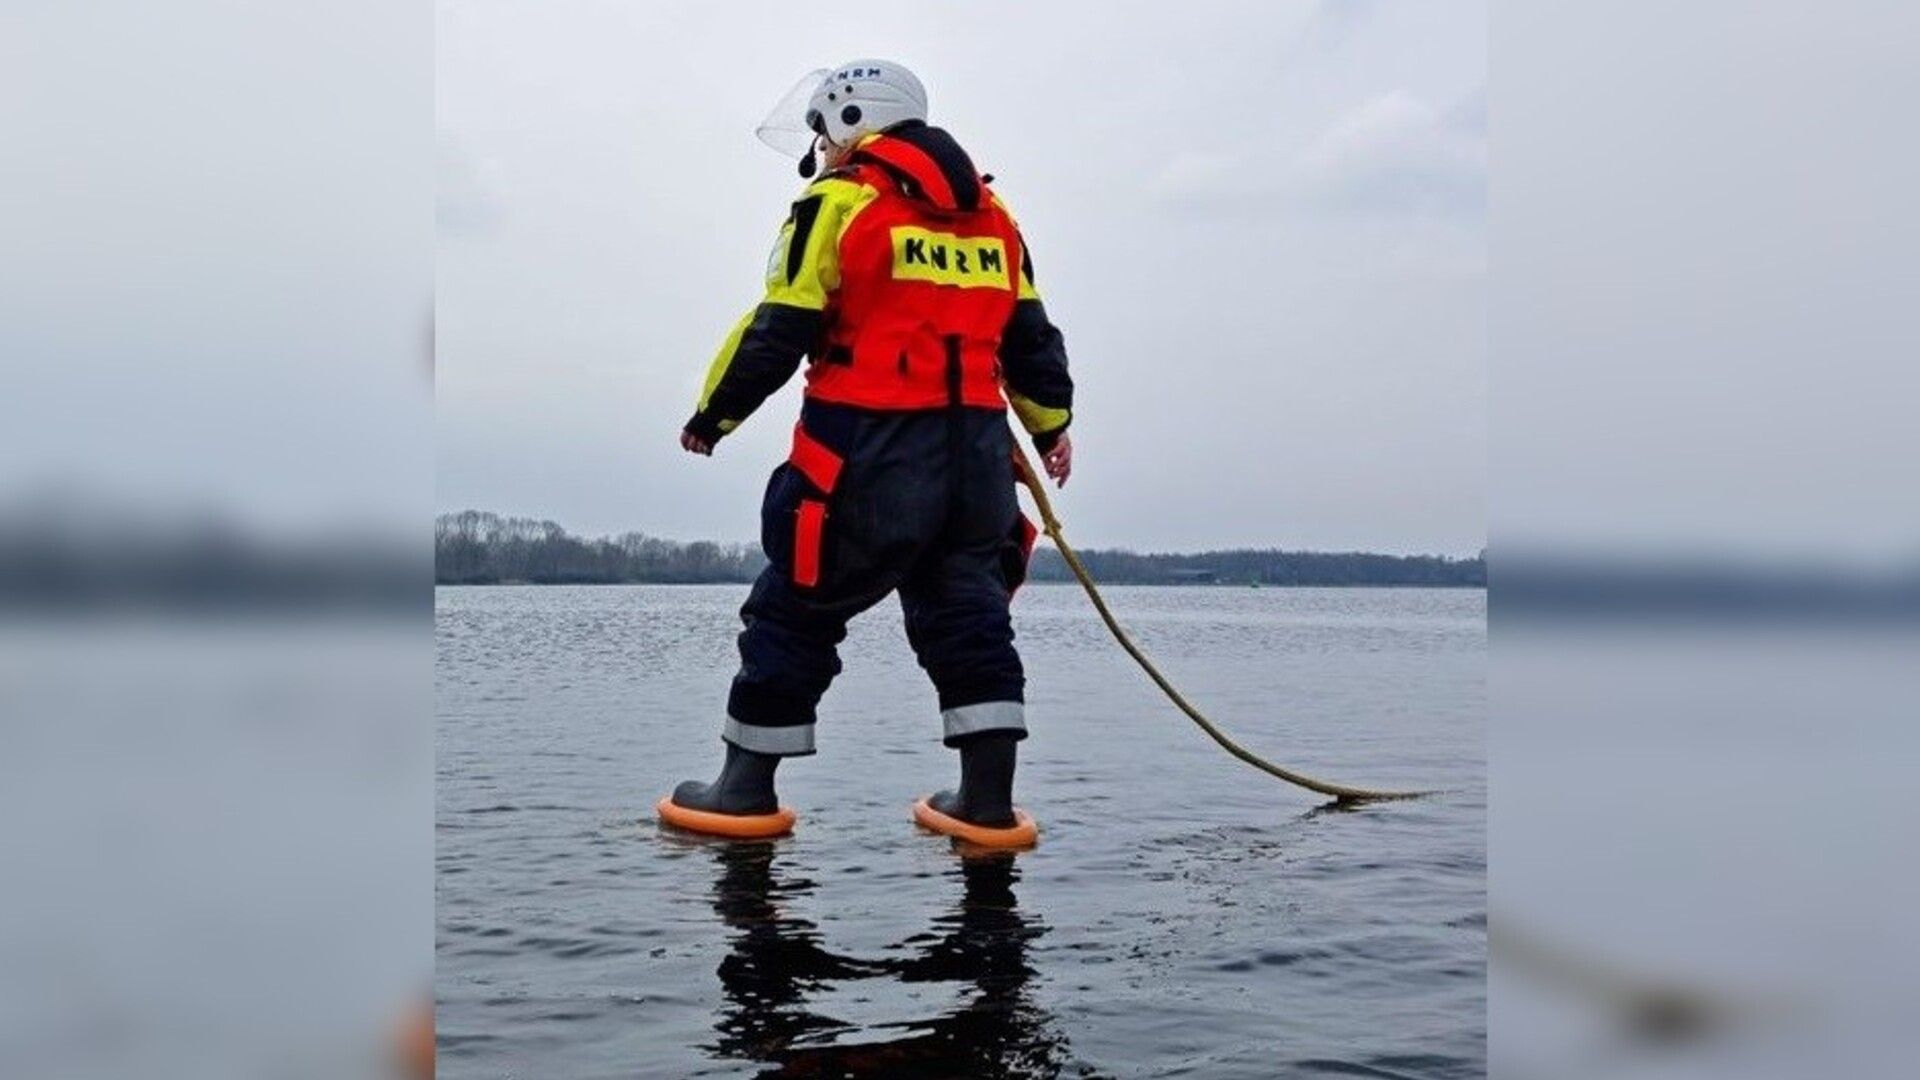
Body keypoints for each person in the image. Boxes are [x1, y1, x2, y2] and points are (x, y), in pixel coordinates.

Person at [656, 60, 1075, 848]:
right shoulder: (997, 219)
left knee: (793, 609)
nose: (820, 147)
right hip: (977, 465)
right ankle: (985, 804)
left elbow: (778, 326)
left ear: (854, 119)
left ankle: (743, 790)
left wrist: (713, 416)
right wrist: (1051, 430)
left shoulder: (836, 205)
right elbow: (1031, 340)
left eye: (823, 130)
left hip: (862, 454)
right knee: (970, 617)